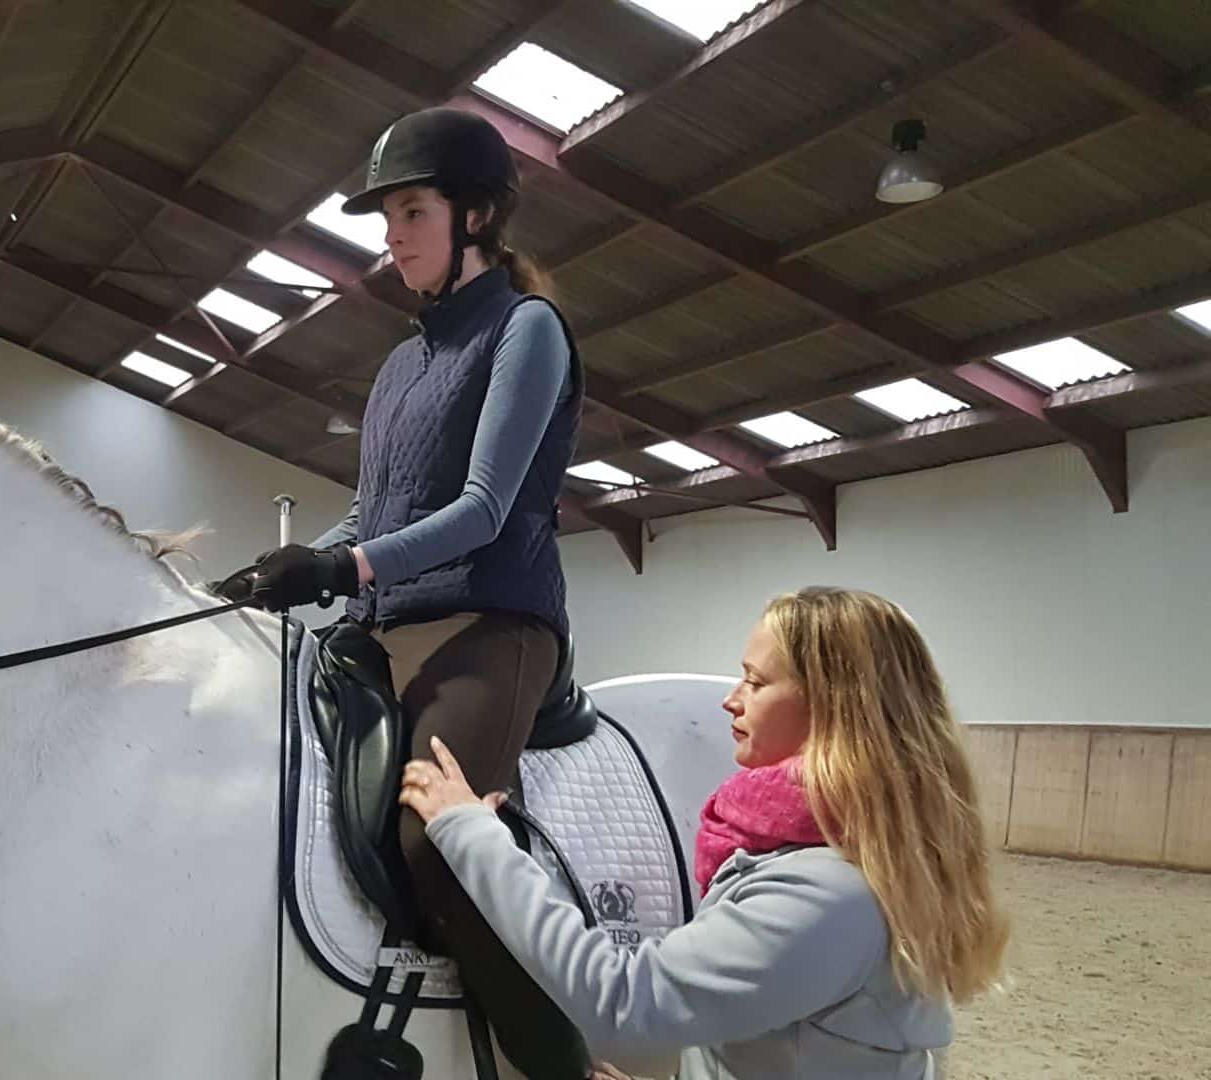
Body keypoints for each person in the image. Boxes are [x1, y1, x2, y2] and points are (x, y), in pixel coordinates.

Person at [216, 106, 591, 1076]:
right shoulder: (400, 360)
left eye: (411, 212)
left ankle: (564, 1061)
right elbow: (370, 508)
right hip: (383, 627)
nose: (392, 237)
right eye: (387, 217)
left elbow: (483, 509)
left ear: (474, 216)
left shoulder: (527, 330)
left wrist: (344, 568)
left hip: (489, 620)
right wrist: (282, 568)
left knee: (436, 845)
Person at [400, 587, 1012, 1078]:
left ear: (832, 707)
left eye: (756, 681)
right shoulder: (853, 862)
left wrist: (472, 831)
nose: (731, 699)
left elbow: (621, 1003)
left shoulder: (831, 896)